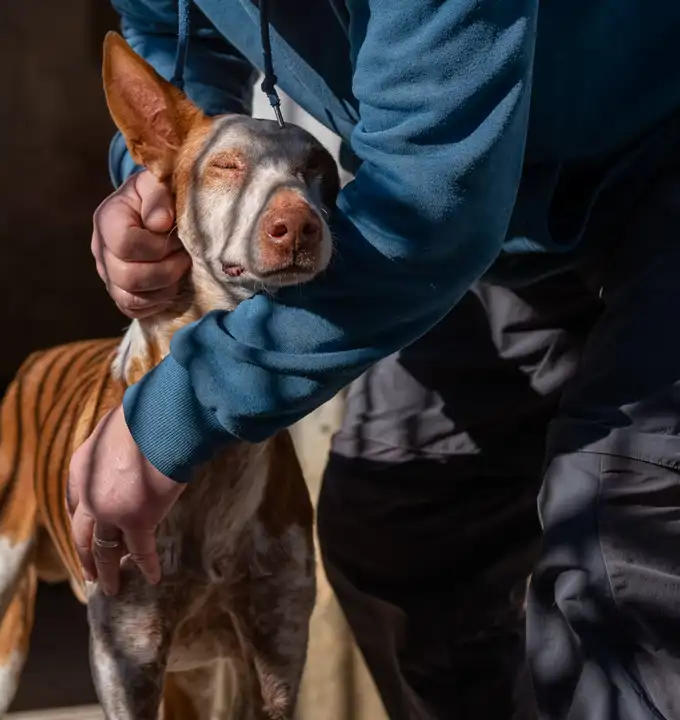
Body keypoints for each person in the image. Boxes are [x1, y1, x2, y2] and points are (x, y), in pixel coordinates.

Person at [63, 0, 680, 717]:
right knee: (405, 534)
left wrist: (180, 409)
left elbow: (430, 203)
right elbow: (181, 37)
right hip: (501, 221)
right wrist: (157, 185)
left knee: (624, 552)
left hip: (626, 163)